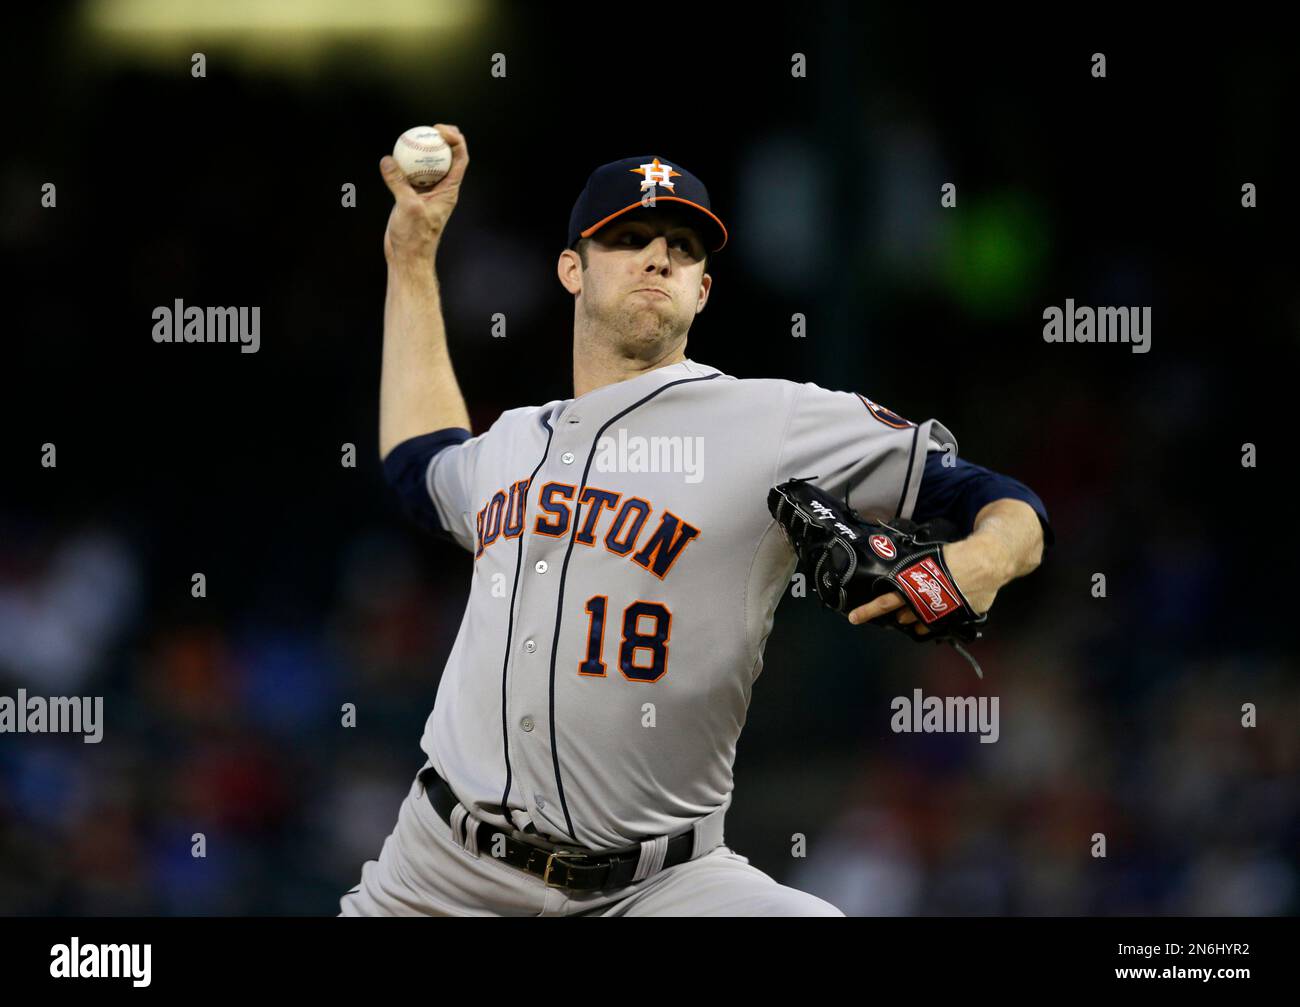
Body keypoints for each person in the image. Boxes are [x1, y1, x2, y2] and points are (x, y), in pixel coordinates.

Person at [338, 126, 1054, 916]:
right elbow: (418, 462)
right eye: (629, 237)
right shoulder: (511, 440)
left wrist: (982, 561)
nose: (659, 256)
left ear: (703, 290)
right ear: (571, 269)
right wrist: (409, 256)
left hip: (661, 885)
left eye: (682, 246)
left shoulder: (774, 419)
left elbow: (1001, 498)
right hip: (441, 873)